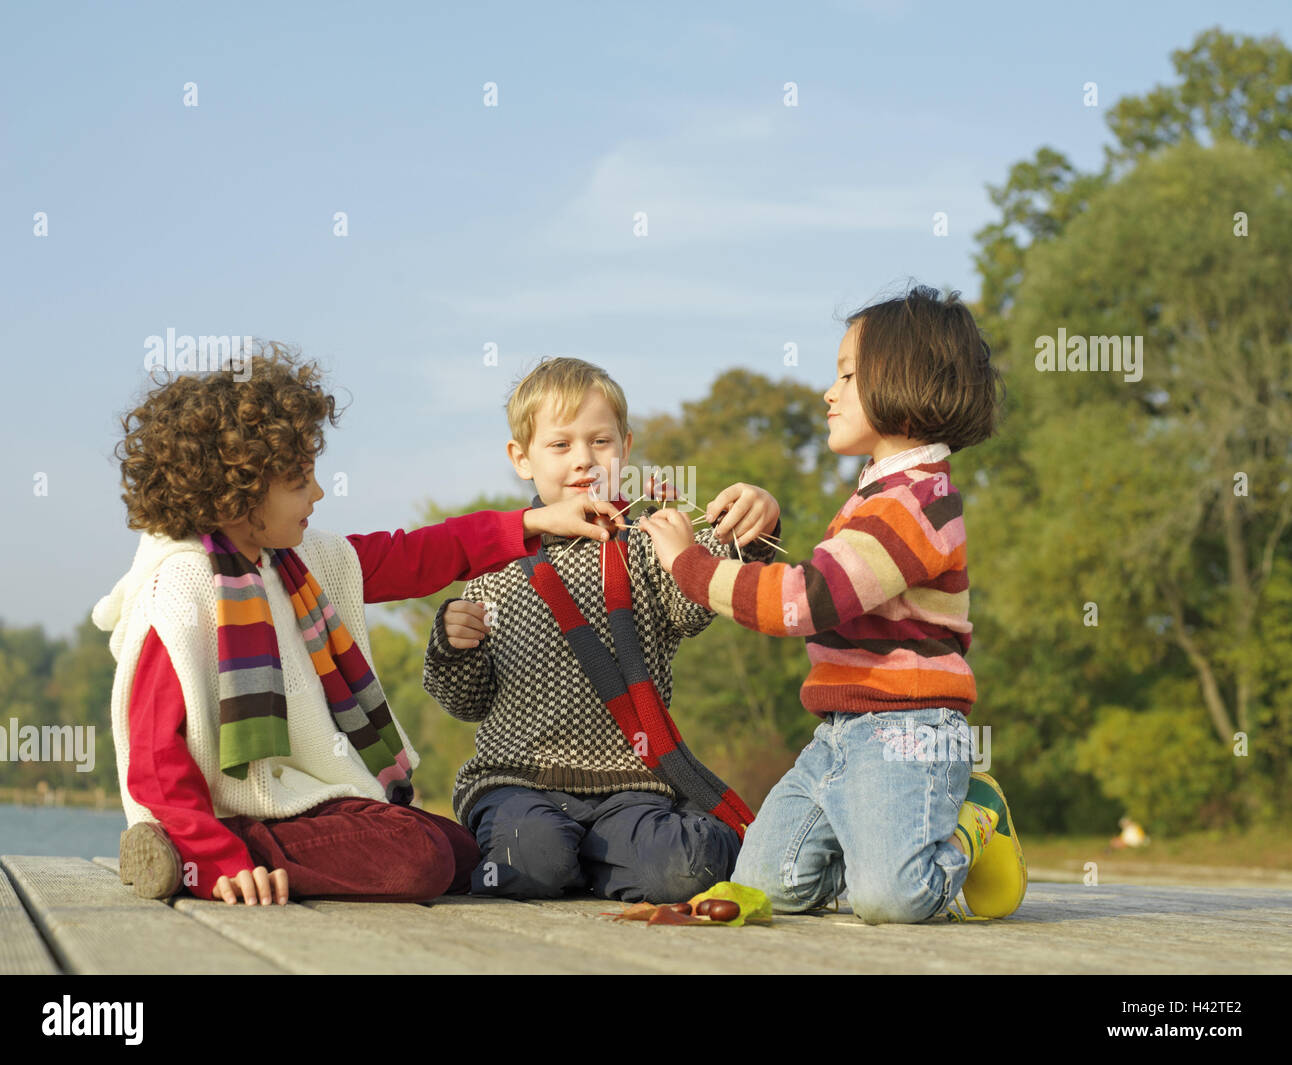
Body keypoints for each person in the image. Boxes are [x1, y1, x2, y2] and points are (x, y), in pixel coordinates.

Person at [94, 344, 622, 905]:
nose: (319, 494)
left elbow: (417, 556)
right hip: (219, 815)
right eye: (300, 482)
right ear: (239, 492)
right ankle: (186, 855)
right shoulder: (180, 587)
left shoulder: (298, 561)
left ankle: (205, 853)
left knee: (461, 851)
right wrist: (218, 861)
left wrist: (535, 520)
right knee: (416, 856)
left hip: (297, 799)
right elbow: (155, 759)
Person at [639, 284, 1026, 923]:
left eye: (847, 374)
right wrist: (762, 530)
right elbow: (834, 579)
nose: (829, 391)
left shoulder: (916, 506)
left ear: (905, 381)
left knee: (892, 900)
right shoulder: (876, 499)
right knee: (770, 886)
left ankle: (974, 824)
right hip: (841, 734)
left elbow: (807, 601)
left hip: (910, 731)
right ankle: (883, 837)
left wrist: (690, 565)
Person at [423, 356, 780, 902]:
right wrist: (452, 644)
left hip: (633, 787)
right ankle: (575, 860)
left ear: (626, 448)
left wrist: (752, 527)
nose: (584, 460)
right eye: (561, 445)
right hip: (517, 782)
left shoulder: (647, 546)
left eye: (601, 442)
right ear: (522, 458)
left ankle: (612, 853)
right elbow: (466, 701)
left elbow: (694, 603)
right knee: (531, 856)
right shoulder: (494, 569)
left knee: (683, 872)